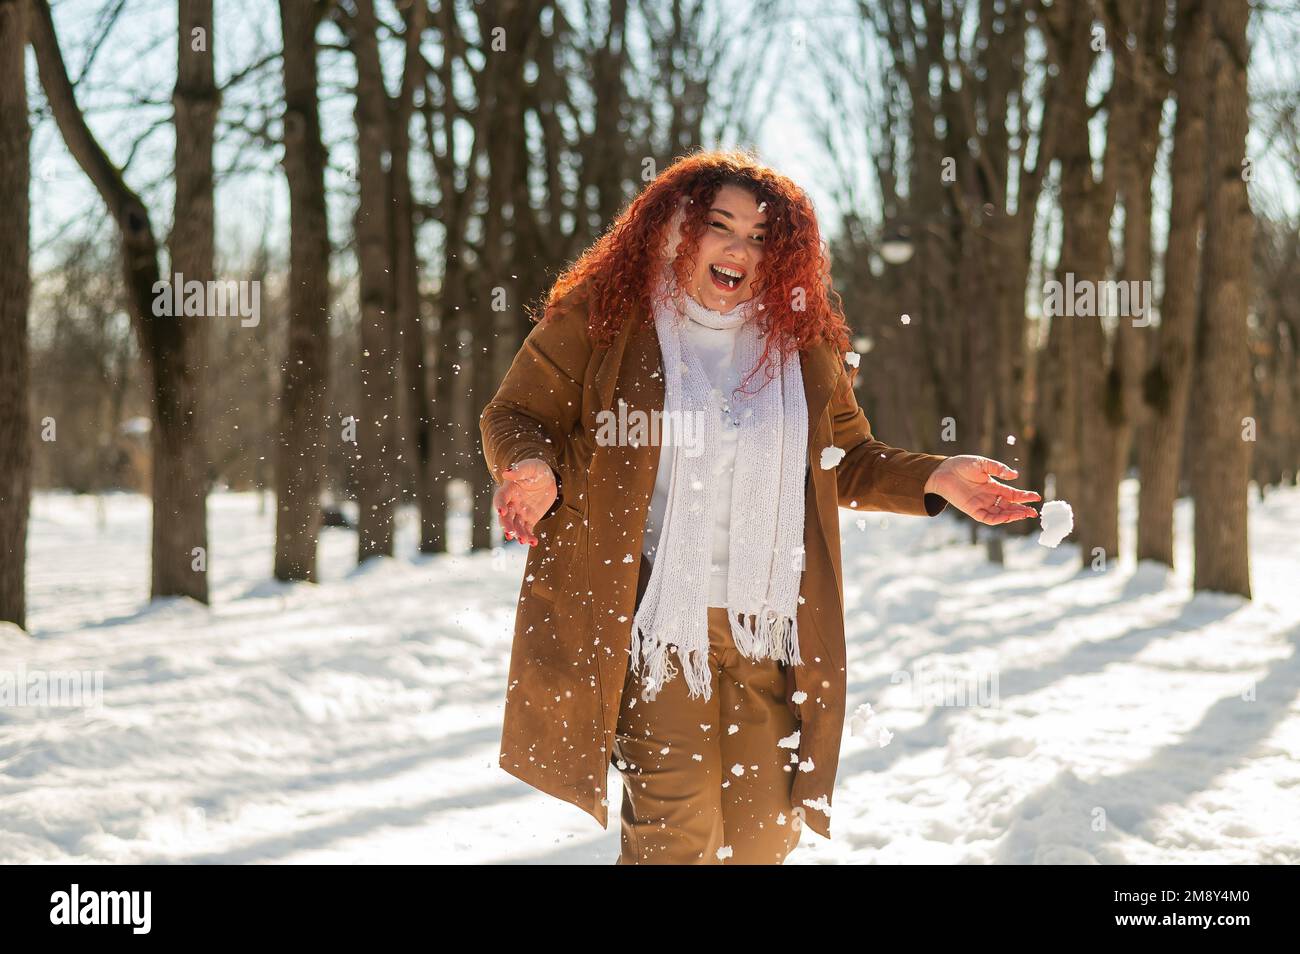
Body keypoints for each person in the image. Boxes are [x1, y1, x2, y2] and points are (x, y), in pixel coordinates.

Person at [481, 148, 1040, 864]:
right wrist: (530, 467)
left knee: (760, 840)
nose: (739, 248)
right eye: (721, 225)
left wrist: (938, 477)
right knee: (674, 839)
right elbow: (516, 412)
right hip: (659, 626)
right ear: (674, 229)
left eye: (759, 236)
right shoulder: (609, 320)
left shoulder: (798, 346)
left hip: (768, 631)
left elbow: (847, 460)